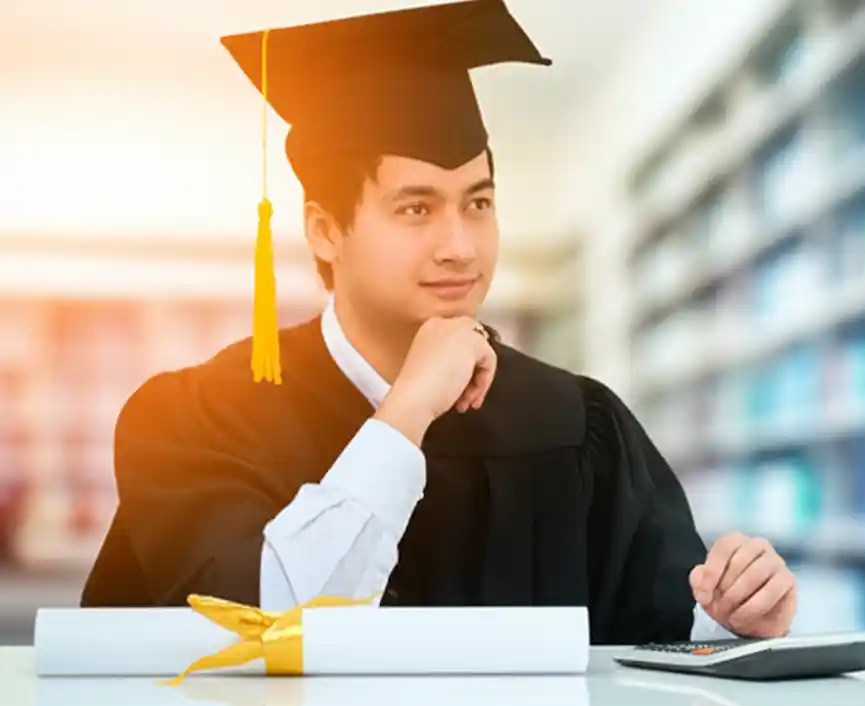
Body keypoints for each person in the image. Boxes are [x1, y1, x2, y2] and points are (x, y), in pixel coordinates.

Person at [81, 0, 798, 644]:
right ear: (326, 231)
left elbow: (655, 645)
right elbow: (269, 633)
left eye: (478, 203)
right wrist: (409, 410)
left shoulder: (575, 423)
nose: (460, 244)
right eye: (416, 208)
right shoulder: (197, 421)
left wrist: (732, 619)